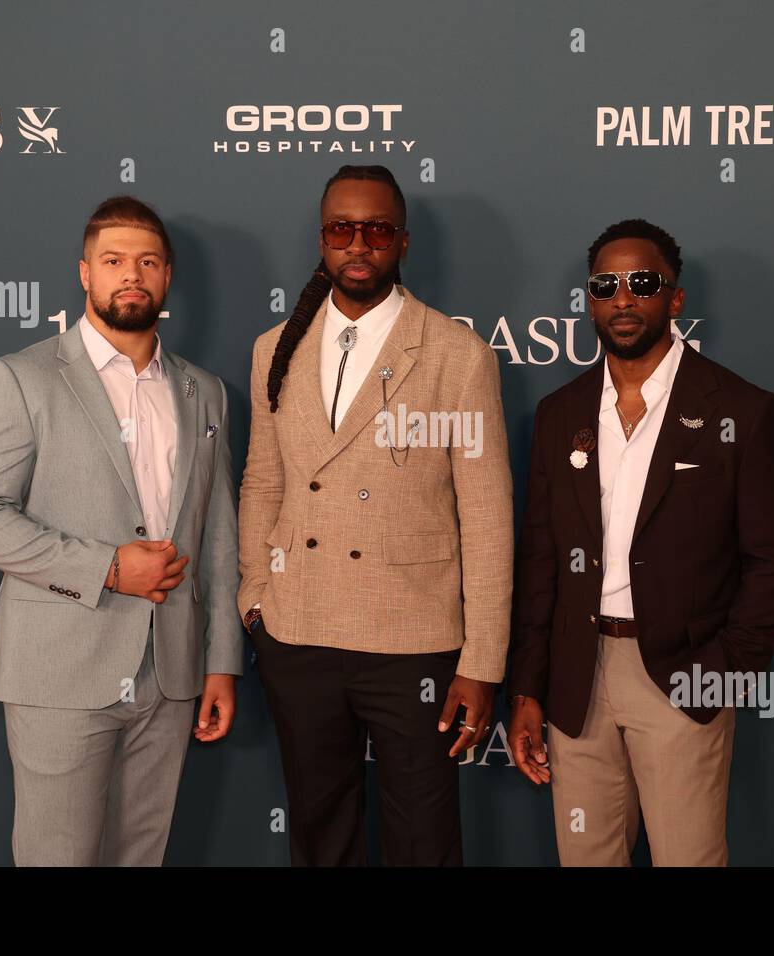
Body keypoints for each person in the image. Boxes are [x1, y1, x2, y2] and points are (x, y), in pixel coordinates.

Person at [0, 196, 242, 865]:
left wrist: (222, 661)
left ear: (167, 277)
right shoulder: (19, 378)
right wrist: (108, 567)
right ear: (85, 274)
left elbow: (220, 538)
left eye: (147, 261)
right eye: (113, 261)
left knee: (140, 856)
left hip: (171, 674)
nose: (130, 274)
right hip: (60, 670)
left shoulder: (207, 392)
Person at [237, 164, 512, 865]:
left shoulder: (457, 355)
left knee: (423, 841)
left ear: (404, 242)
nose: (359, 244)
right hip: (299, 631)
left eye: (377, 229)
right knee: (319, 835)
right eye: (342, 229)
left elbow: (485, 516)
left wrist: (481, 662)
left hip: (413, 642)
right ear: (322, 238)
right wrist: (255, 598)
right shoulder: (275, 348)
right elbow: (263, 481)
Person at [507, 218, 774, 865]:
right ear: (589, 299)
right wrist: (528, 687)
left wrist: (724, 674)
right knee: (587, 858)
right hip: (576, 677)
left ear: (675, 298)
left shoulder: (741, 411)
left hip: (683, 676)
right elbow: (540, 559)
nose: (623, 298)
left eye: (642, 283)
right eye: (605, 285)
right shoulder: (559, 414)